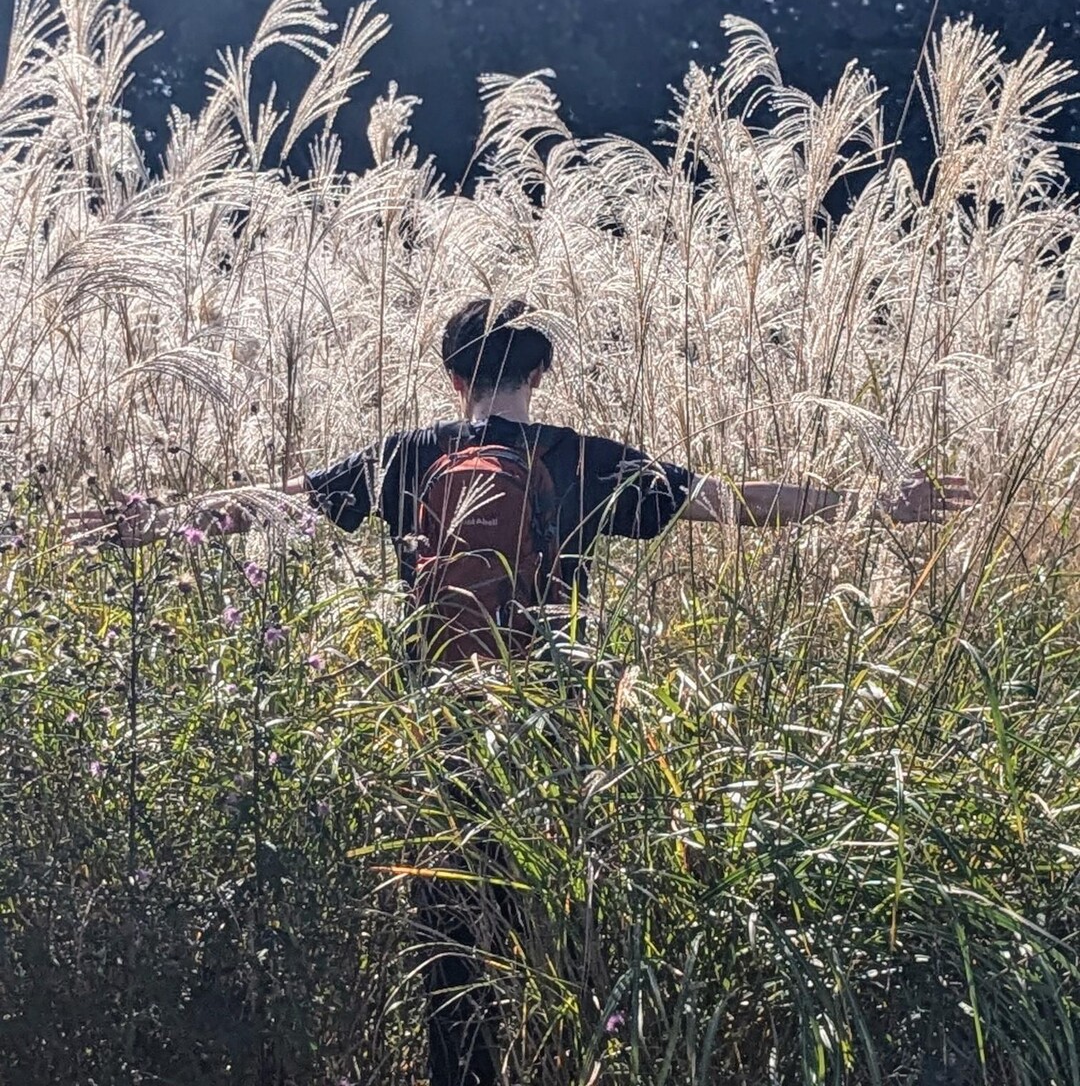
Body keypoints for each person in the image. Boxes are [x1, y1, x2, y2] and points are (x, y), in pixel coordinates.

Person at [70, 297, 972, 1085]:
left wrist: (156, 522)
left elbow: (275, 503)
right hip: (556, 738)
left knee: (453, 954)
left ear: (451, 374)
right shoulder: (584, 459)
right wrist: (872, 499)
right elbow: (732, 501)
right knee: (566, 944)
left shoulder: (410, 454)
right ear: (542, 368)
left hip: (440, 732)